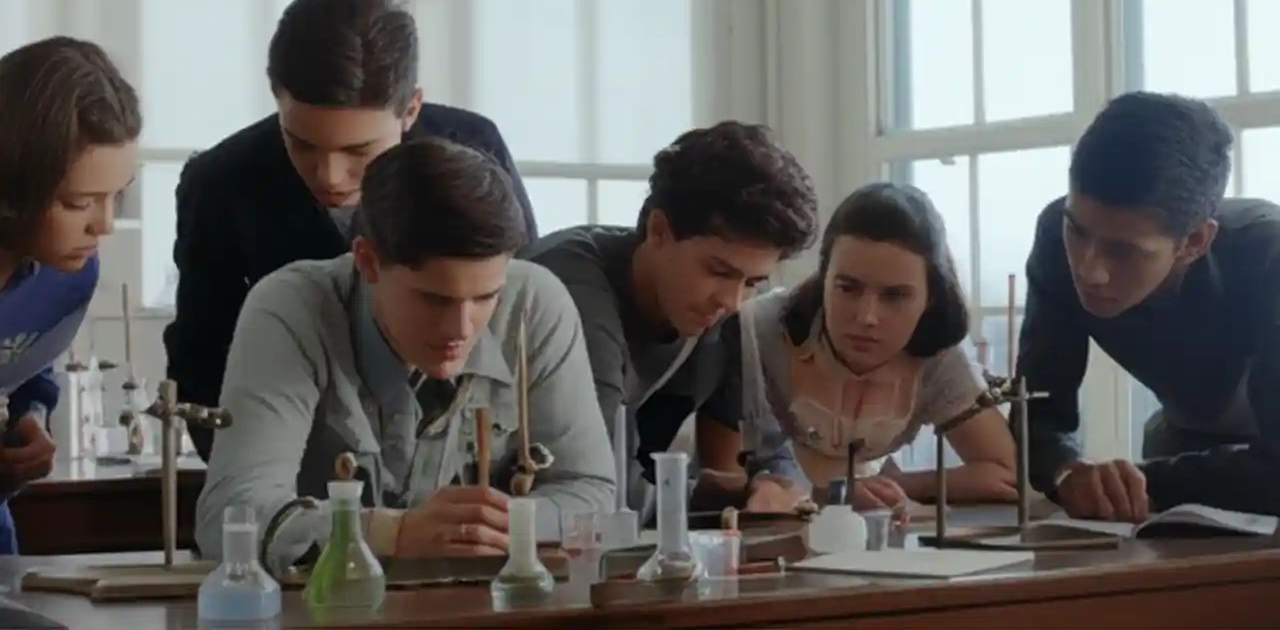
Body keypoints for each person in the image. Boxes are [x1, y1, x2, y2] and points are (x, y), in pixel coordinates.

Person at [165, 0, 537, 461]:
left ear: (411, 110)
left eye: (359, 151)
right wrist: (250, 477)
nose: (329, 175)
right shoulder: (219, 183)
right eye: (300, 142)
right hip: (294, 449)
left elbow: (517, 302)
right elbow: (201, 354)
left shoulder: (472, 151)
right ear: (276, 97)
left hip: (461, 444)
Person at [196, 139, 613, 568]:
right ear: (368, 261)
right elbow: (231, 517)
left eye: (487, 297)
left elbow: (592, 491)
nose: (461, 329)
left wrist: (503, 524)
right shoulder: (290, 308)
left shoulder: (534, 303)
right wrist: (392, 532)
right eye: (435, 299)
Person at [520, 121, 818, 517]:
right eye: (719, 271)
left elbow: (772, 453)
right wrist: (721, 495)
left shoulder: (727, 309)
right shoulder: (570, 295)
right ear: (659, 230)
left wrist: (775, 486)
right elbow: (600, 491)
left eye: (754, 281)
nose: (732, 300)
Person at [1020, 91, 1280, 521]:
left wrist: (1132, 483)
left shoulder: (1268, 255)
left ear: (1194, 242)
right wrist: (1068, 472)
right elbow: (1037, 414)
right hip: (1180, 442)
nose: (1089, 270)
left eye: (1122, 252)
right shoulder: (1053, 236)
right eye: (1077, 231)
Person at [735, 183, 1016, 509]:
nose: (867, 317)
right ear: (824, 277)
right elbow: (726, 474)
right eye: (848, 288)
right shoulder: (759, 330)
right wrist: (836, 492)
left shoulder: (939, 354)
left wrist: (893, 485)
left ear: (931, 297)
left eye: (895, 296)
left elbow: (1004, 473)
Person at [0, 37, 141, 553]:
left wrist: (28, 420)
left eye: (116, 196)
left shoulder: (70, 277)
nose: (103, 224)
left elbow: (28, 366)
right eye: (79, 201)